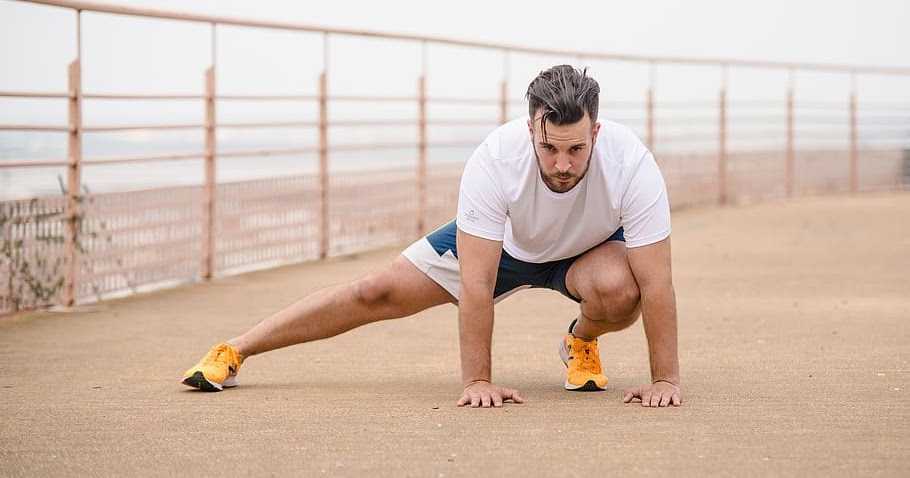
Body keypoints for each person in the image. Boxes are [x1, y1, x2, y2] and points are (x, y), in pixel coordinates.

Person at [181, 64, 681, 408]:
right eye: (549, 148)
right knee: (374, 292)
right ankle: (236, 350)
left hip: (586, 252)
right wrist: (478, 381)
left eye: (575, 149)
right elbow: (477, 285)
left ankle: (580, 344)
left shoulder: (631, 163)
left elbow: (657, 282)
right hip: (505, 245)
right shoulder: (495, 160)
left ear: (595, 133)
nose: (562, 164)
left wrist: (665, 380)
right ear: (531, 128)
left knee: (623, 289)